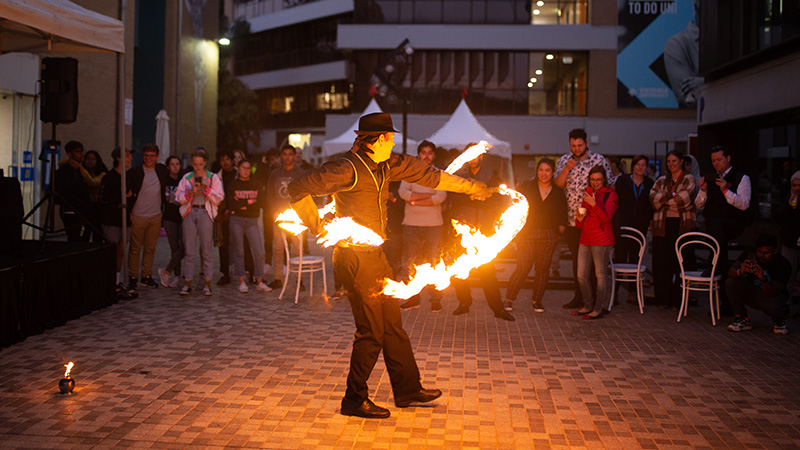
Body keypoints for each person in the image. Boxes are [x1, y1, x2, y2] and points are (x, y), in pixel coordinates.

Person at [288, 112, 492, 419]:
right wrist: (321, 228)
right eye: (391, 138)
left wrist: (471, 187)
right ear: (378, 140)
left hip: (376, 255)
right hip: (355, 257)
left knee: (392, 324)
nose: (394, 142)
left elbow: (430, 175)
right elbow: (297, 187)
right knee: (371, 331)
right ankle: (354, 399)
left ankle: (407, 389)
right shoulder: (346, 169)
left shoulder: (388, 164)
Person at [554, 128, 616, 310]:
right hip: (572, 220)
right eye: (573, 145)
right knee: (577, 261)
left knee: (595, 263)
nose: (577, 148)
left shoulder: (599, 160)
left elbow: (610, 184)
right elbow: (557, 186)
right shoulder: (565, 160)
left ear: (586, 143)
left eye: (580, 145)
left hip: (594, 221)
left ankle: (597, 300)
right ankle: (579, 297)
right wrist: (567, 169)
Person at [450, 151, 515, 322]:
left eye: (475, 156)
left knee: (488, 272)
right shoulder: (459, 178)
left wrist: (479, 197)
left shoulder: (491, 178)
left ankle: (497, 308)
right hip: (463, 228)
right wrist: (474, 197)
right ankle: (464, 302)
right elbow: (454, 199)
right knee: (460, 268)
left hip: (484, 229)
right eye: (469, 156)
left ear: (481, 157)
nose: (472, 159)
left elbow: (497, 201)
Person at [504, 158, 567, 313]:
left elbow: (562, 213)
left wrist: (559, 232)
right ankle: (509, 299)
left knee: (542, 268)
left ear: (552, 173)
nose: (544, 173)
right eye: (541, 170)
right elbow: (516, 206)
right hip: (527, 233)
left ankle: (537, 301)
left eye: (547, 170)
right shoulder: (527, 187)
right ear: (537, 171)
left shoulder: (558, 192)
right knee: (523, 266)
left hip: (548, 234)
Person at [695, 145, 752, 311]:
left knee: (719, 248)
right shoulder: (711, 178)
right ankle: (726, 303)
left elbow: (744, 204)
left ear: (728, 158)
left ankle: (712, 263)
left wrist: (726, 190)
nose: (716, 164)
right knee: (721, 257)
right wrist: (703, 190)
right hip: (714, 228)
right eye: (713, 161)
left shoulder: (742, 178)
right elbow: (699, 205)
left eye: (719, 160)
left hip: (733, 224)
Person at [397, 141, 447, 312]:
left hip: (434, 224)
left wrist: (414, 199)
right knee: (410, 261)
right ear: (418, 155)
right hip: (411, 223)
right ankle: (413, 297)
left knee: (434, 261)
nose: (426, 156)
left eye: (430, 153)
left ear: (434, 156)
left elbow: (440, 197)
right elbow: (402, 193)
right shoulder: (409, 173)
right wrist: (427, 197)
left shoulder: (439, 174)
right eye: (423, 152)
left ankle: (435, 298)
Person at [650, 150, 697, 310]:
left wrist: (664, 199)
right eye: (669, 161)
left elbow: (684, 199)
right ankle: (663, 299)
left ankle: (678, 301)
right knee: (662, 263)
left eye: (674, 161)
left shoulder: (688, 179)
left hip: (681, 226)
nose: (671, 164)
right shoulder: (662, 180)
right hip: (662, 226)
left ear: (682, 161)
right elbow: (652, 198)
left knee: (680, 263)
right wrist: (672, 196)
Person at [175, 149, 225, 296]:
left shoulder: (212, 177)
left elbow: (219, 198)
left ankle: (207, 283)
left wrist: (207, 189)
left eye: (200, 164)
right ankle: (188, 282)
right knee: (189, 250)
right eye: (195, 164)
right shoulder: (186, 178)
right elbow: (178, 198)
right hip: (190, 213)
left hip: (205, 212)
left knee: (206, 250)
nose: (197, 167)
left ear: (205, 163)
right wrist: (189, 193)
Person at [573, 166, 618, 319]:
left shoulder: (611, 195)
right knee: (581, 275)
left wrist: (593, 204)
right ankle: (587, 305)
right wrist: (578, 219)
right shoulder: (588, 194)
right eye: (593, 179)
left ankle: (599, 307)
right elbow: (580, 222)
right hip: (585, 238)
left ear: (604, 179)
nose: (596, 182)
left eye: (599, 179)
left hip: (602, 240)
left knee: (600, 275)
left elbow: (606, 218)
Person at [726, 234, 791, 335]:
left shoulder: (782, 264)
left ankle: (779, 320)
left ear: (775, 251)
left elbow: (772, 292)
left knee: (774, 305)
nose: (761, 256)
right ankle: (742, 318)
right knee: (731, 282)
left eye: (766, 253)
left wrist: (763, 278)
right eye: (759, 252)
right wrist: (740, 271)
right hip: (752, 293)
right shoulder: (750, 254)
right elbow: (731, 271)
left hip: (771, 297)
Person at [127, 144, 169, 289]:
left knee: (150, 248)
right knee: (135, 248)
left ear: (157, 157)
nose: (148, 158)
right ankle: (132, 276)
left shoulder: (161, 170)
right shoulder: (134, 172)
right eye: (146, 155)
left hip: (155, 215)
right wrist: (129, 212)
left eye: (151, 155)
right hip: (138, 215)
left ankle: (146, 275)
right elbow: (128, 192)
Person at [226, 159, 271, 293]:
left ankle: (259, 281)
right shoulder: (233, 185)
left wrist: (243, 203)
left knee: (259, 251)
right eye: (243, 168)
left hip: (252, 220)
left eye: (248, 168)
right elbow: (231, 205)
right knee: (239, 251)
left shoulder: (256, 184)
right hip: (236, 220)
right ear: (238, 169)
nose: (245, 171)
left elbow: (261, 202)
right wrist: (250, 202)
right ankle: (241, 281)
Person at [267, 144, 307, 289]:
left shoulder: (300, 173)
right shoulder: (275, 174)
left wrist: (303, 214)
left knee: (297, 249)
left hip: (296, 217)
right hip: (279, 216)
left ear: (294, 156)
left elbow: (305, 194)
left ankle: (299, 280)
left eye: (290, 154)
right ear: (281, 156)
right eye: (285, 154)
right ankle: (277, 278)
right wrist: (273, 212)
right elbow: (270, 195)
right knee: (278, 248)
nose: (288, 157)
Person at [99, 147, 136, 300]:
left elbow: (131, 196)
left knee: (121, 249)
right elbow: (105, 198)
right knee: (112, 248)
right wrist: (122, 196)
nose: (130, 159)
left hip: (124, 218)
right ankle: (108, 281)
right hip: (112, 219)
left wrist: (130, 202)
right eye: (127, 156)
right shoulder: (109, 177)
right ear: (118, 158)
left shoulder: (126, 177)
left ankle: (117, 279)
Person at [613, 154, 653, 265]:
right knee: (620, 255)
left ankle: (633, 282)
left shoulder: (649, 183)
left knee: (635, 257)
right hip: (623, 224)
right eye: (638, 165)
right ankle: (618, 282)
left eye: (643, 165)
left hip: (640, 226)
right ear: (633, 166)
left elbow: (650, 204)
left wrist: (648, 221)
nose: (641, 167)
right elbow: (617, 202)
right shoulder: (623, 180)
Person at [55, 140, 93, 241]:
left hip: (81, 211)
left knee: (82, 238)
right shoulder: (66, 171)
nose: (81, 154)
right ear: (69, 154)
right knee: (76, 239)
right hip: (72, 211)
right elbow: (65, 192)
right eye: (78, 152)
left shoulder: (80, 169)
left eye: (82, 151)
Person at [157, 156, 185, 288]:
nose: (175, 167)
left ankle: (166, 271)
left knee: (184, 247)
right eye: (172, 164)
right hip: (169, 217)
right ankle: (177, 276)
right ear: (168, 166)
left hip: (183, 216)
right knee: (174, 247)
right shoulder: (164, 180)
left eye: (177, 164)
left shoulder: (183, 180)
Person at [774, 171, 800, 302]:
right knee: (788, 274)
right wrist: (789, 207)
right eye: (794, 185)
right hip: (790, 242)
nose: (797, 188)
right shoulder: (787, 199)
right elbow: (778, 218)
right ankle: (785, 305)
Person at [215, 150, 238, 286]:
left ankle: (247, 271)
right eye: (223, 160)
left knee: (241, 244)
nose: (225, 162)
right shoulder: (217, 177)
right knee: (223, 245)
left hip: (238, 213)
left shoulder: (239, 174)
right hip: (222, 215)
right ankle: (225, 273)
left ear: (232, 160)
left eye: (227, 159)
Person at [80, 150, 108, 242]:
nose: (90, 161)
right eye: (88, 158)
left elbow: (93, 182)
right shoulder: (81, 172)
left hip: (97, 207)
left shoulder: (102, 173)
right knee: (84, 234)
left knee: (97, 233)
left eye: (93, 159)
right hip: (84, 207)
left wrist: (80, 168)